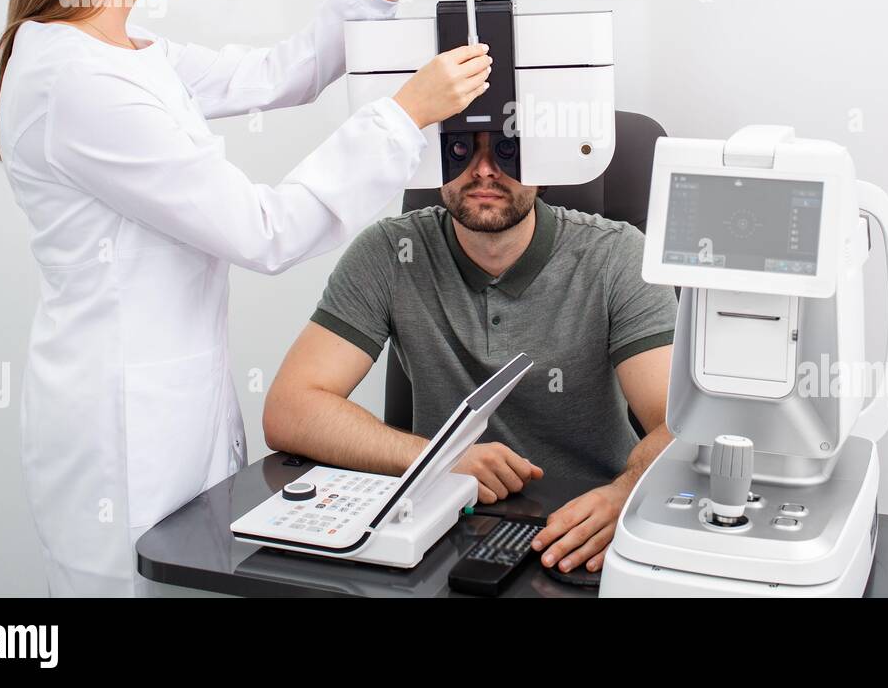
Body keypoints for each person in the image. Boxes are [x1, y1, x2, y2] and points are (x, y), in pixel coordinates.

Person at [0, 0, 491, 596]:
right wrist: (405, 113)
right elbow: (263, 230)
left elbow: (273, 73)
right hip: (119, 431)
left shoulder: (127, 52)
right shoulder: (77, 84)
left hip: (175, 402)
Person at [264, 131, 678, 575]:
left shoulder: (617, 254)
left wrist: (626, 496)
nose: (482, 170)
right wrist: (437, 458)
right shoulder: (389, 251)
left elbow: (681, 423)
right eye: (460, 149)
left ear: (546, 166)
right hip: (443, 527)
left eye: (508, 150)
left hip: (585, 526)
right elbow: (289, 410)